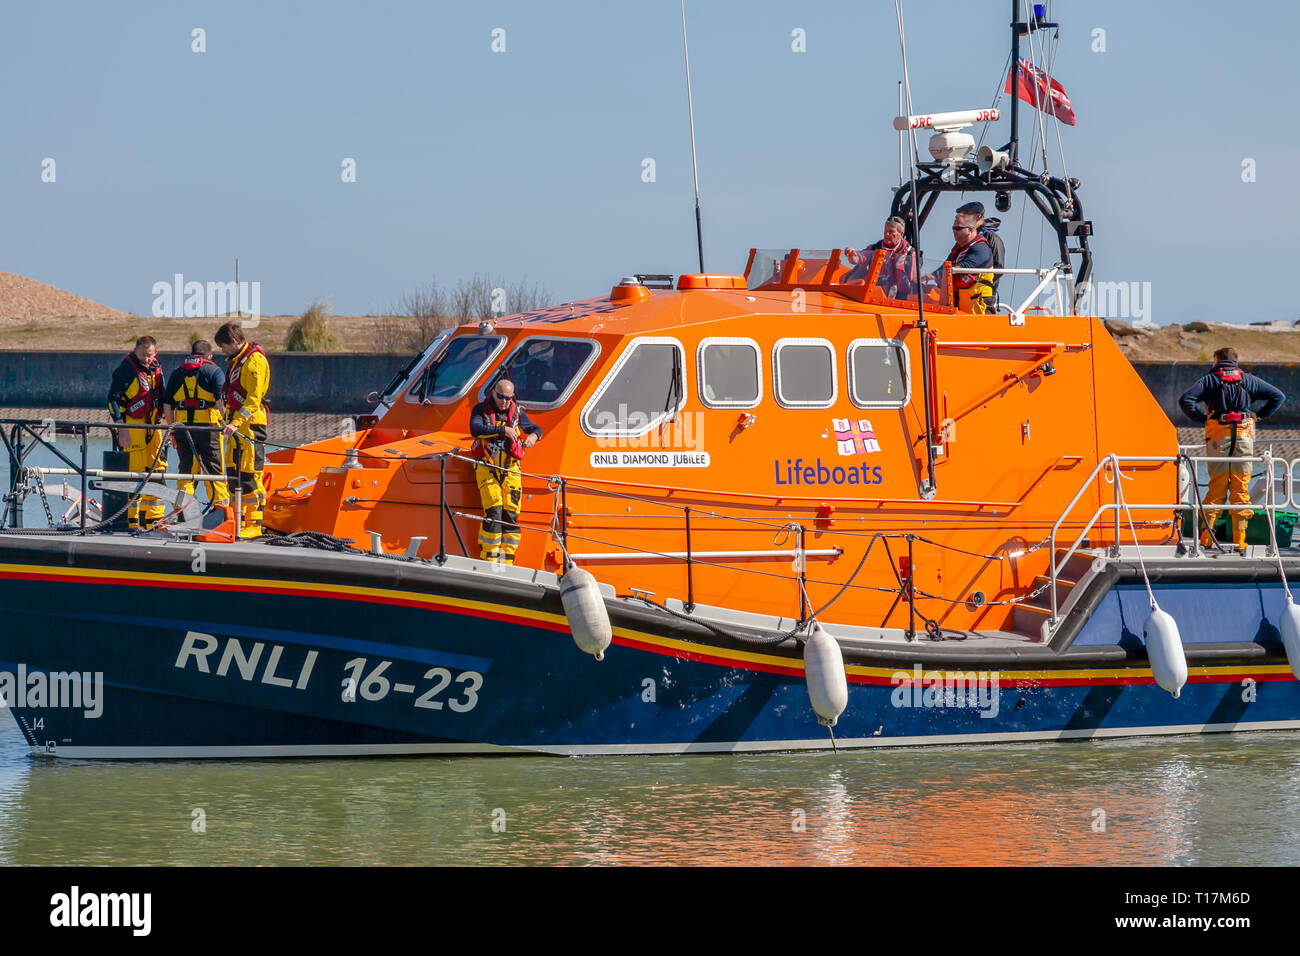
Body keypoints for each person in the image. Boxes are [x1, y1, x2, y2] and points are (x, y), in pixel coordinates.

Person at [1179, 347, 1286, 549]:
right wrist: (1259, 415)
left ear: (1216, 360)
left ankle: (1206, 538)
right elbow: (1278, 397)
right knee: (1241, 488)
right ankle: (1240, 541)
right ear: (1235, 362)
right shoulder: (1249, 380)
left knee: (1216, 488)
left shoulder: (1210, 380)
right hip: (1244, 438)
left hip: (1218, 438)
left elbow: (1185, 400)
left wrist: (1202, 418)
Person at [469, 379, 542, 564]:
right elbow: (475, 429)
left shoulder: (516, 411)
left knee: (511, 513)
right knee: (494, 511)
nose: (505, 401)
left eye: (509, 398)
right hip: (488, 467)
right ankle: (489, 560)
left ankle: (507, 562)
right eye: (501, 396)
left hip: (511, 469)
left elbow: (536, 429)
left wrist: (533, 437)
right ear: (493, 393)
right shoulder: (480, 410)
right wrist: (503, 431)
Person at [215, 322, 270, 538]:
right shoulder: (238, 361)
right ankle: (236, 520)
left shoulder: (254, 362)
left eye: (224, 347)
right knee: (234, 474)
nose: (222, 351)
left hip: (250, 427)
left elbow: (253, 400)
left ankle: (254, 524)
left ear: (235, 342)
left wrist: (235, 423)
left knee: (250, 475)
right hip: (235, 428)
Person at [107, 335, 166, 531]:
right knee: (135, 473)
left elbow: (163, 397)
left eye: (149, 355)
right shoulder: (125, 370)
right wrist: (121, 428)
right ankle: (132, 521)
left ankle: (154, 521)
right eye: (142, 355)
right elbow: (113, 400)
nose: (146, 359)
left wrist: (170, 428)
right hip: (134, 426)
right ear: (135, 351)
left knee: (157, 472)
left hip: (155, 425)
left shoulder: (157, 370)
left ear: (155, 353)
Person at [163, 340, 230, 509]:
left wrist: (172, 430)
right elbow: (220, 399)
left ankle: (182, 513)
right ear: (210, 356)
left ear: (191, 354)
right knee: (214, 472)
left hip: (182, 428)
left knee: (186, 472)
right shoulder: (214, 371)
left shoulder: (177, 373)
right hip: (209, 429)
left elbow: (167, 405)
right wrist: (228, 423)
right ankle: (220, 514)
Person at [926, 204, 995, 313]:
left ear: (971, 229)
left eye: (958, 228)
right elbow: (946, 264)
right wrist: (932, 275)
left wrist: (939, 275)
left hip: (977, 311)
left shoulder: (981, 249)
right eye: (953, 228)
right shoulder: (959, 247)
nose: (954, 231)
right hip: (959, 307)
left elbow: (962, 268)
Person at [845, 216, 917, 298]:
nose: (886, 234)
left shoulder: (910, 254)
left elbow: (914, 281)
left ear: (901, 234)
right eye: (885, 231)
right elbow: (860, 257)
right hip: (872, 294)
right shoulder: (875, 248)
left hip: (898, 300)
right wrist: (852, 254)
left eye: (891, 232)